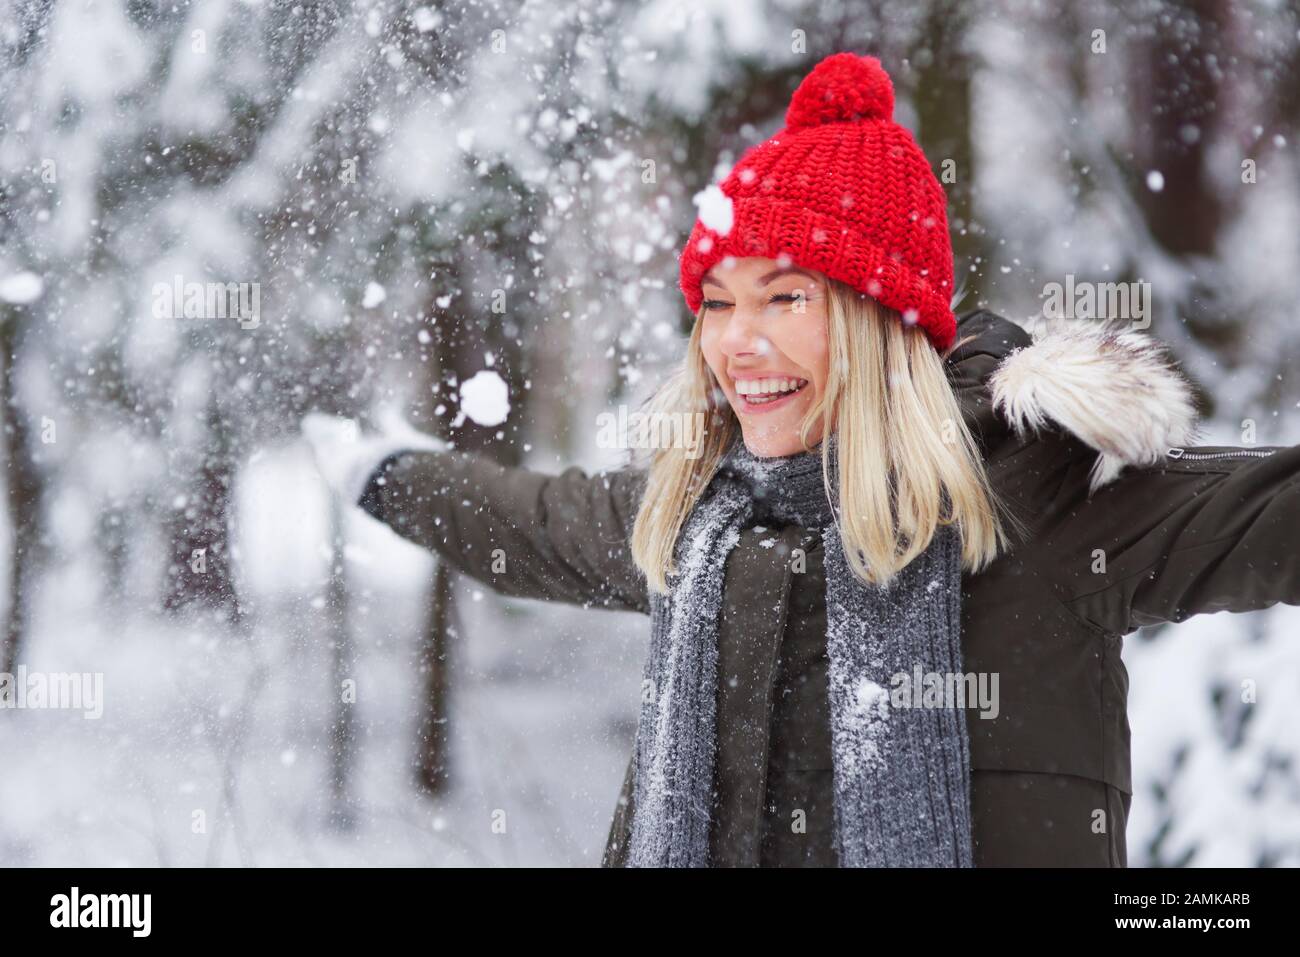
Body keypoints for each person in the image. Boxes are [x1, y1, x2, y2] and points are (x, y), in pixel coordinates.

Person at [302, 53, 1300, 867]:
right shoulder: (701, 517)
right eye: (718, 303)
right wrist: (381, 470)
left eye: (785, 298)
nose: (737, 345)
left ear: (881, 322)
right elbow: (527, 522)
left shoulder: (1045, 499)